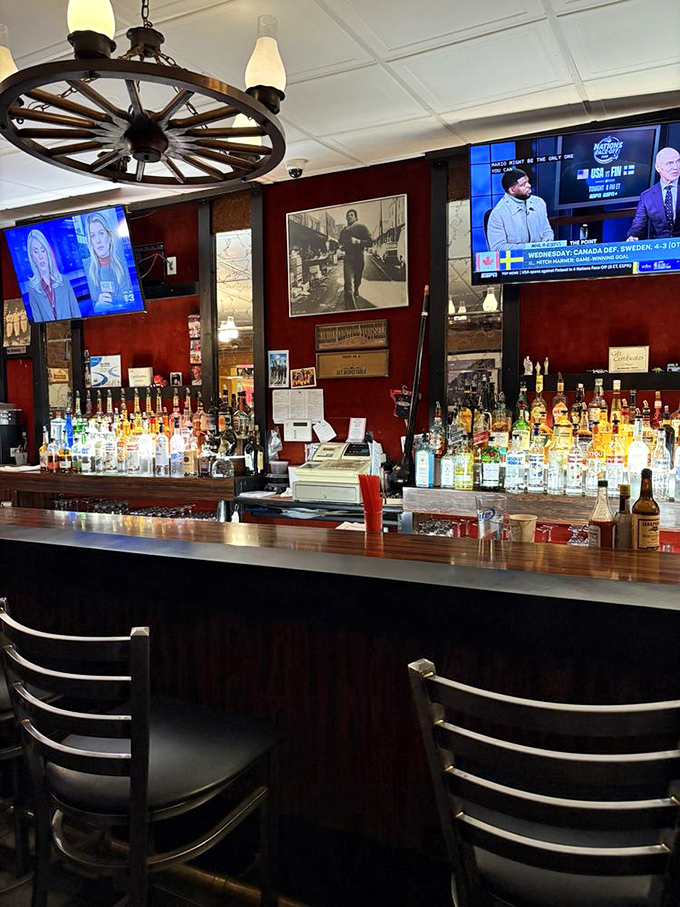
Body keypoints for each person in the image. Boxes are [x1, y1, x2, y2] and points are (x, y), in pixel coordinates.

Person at [486, 169, 554, 252]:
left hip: (541, 259)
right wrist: (532, 249)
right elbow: (498, 248)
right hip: (515, 262)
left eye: (528, 182)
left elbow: (547, 231)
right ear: (512, 190)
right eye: (523, 184)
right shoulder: (498, 215)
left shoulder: (539, 203)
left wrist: (545, 247)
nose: (529, 185)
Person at [25, 229, 80, 322]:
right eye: (36, 252)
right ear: (32, 256)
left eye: (43, 250)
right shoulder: (32, 288)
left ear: (47, 252)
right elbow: (38, 322)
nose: (41, 256)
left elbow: (76, 314)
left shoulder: (64, 281)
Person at [627, 147, 680, 240]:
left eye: (678, 161)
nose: (676, 167)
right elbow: (638, 225)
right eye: (670, 163)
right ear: (658, 167)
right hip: (661, 248)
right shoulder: (647, 196)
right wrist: (633, 236)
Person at [85, 212, 133, 312]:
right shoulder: (86, 266)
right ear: (90, 242)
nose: (98, 240)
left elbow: (132, 302)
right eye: (92, 235)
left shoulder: (124, 263)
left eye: (101, 233)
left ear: (110, 237)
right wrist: (97, 307)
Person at [338, 209, 372, 307]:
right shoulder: (344, 231)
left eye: (351, 215)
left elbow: (370, 242)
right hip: (348, 260)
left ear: (356, 217)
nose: (349, 216)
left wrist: (358, 242)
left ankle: (356, 288)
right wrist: (341, 247)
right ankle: (350, 310)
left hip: (358, 259)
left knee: (357, 280)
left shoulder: (362, 227)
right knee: (348, 285)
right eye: (348, 215)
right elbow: (340, 242)